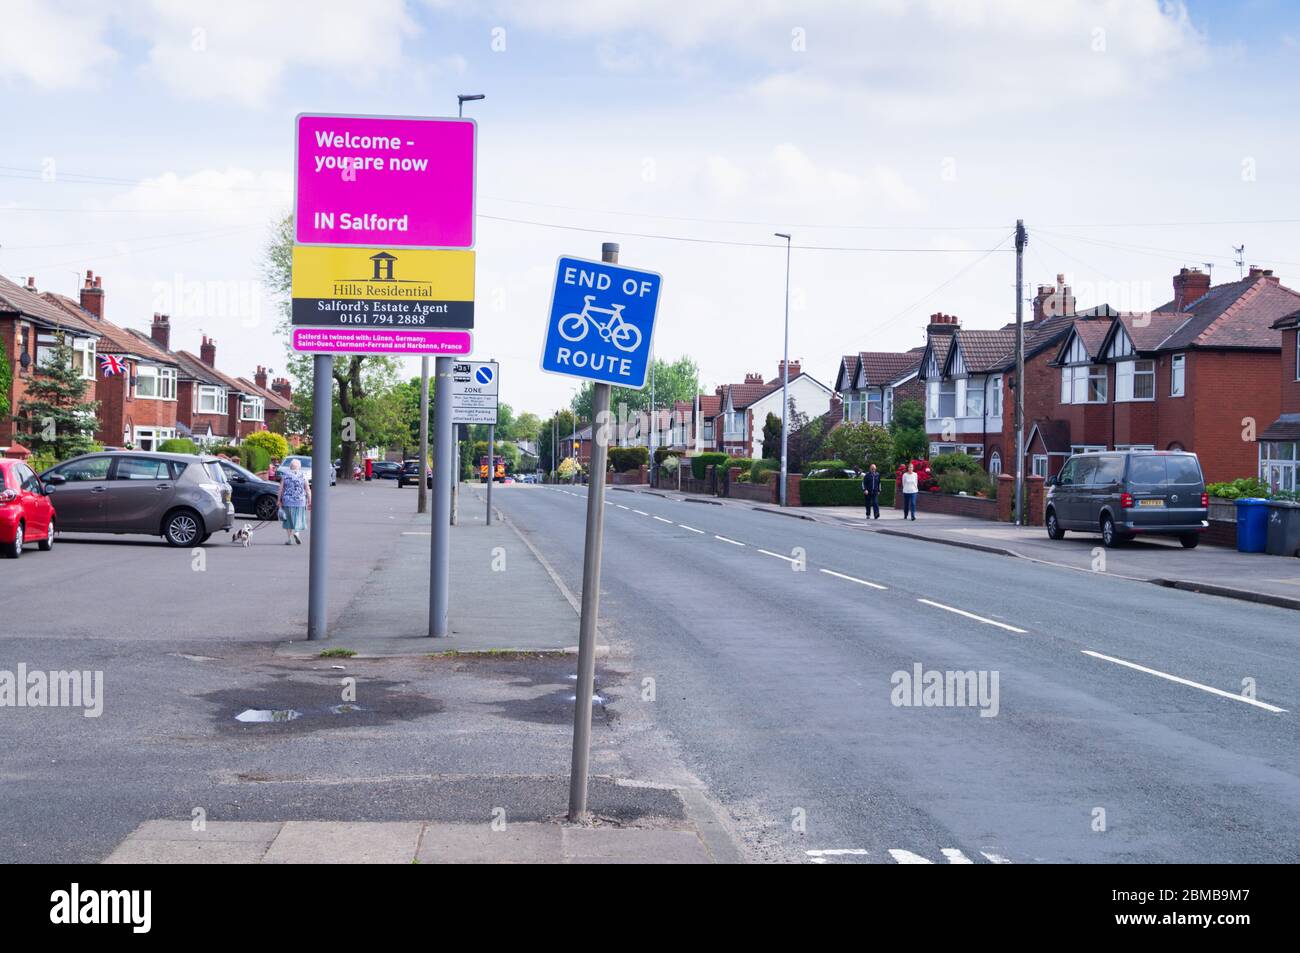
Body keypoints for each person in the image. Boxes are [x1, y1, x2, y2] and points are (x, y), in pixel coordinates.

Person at [277, 457, 311, 545]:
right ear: (299, 467)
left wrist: (278, 500)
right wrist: (310, 501)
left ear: (290, 467)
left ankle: (289, 539)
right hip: (300, 501)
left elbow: (281, 489)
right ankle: (297, 532)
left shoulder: (285, 475)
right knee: (298, 518)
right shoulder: (303, 475)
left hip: (287, 501)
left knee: (288, 520)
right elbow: (307, 489)